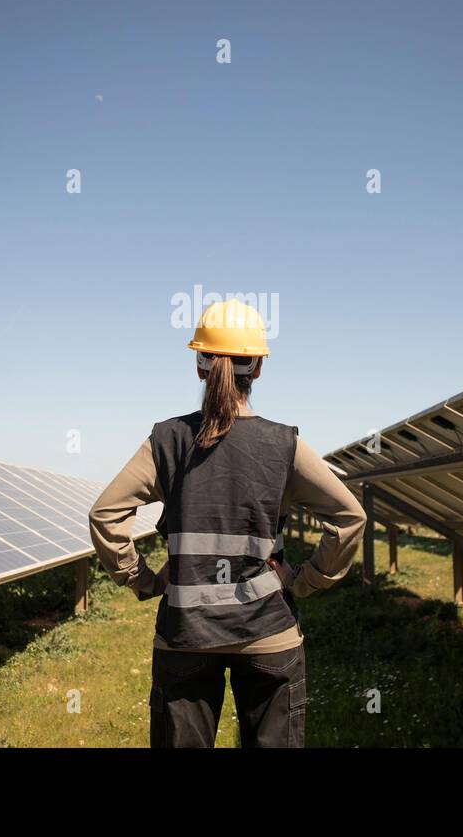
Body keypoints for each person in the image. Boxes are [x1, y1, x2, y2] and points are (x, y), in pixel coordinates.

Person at [88, 299, 367, 748]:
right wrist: (304, 581)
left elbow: (105, 514)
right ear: (257, 369)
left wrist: (140, 579)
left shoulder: (167, 439)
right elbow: (351, 517)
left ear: (199, 366)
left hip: (185, 639)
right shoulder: (284, 444)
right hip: (268, 635)